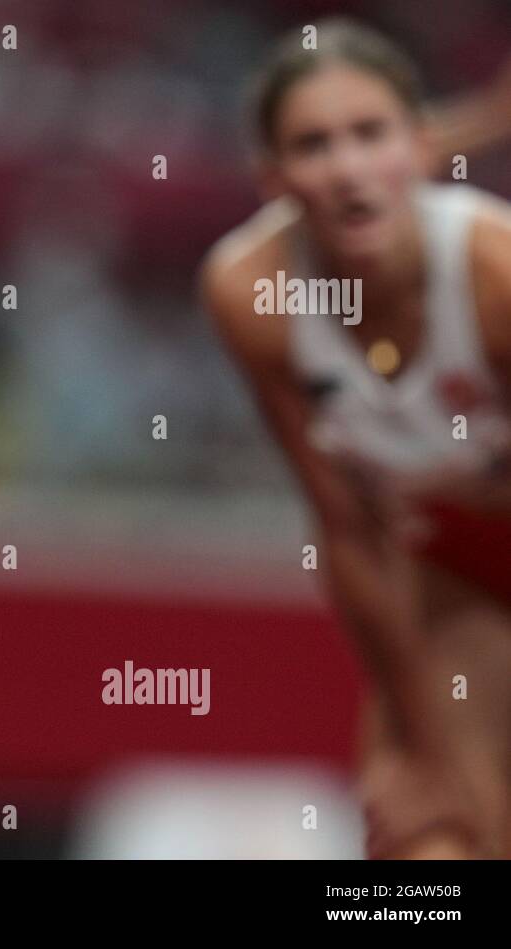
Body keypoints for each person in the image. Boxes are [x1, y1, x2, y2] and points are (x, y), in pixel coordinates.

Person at [201, 19, 511, 859]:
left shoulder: (493, 275)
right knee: (424, 845)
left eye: (369, 135)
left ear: (421, 149)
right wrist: (417, 740)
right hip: (452, 568)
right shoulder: (250, 292)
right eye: (312, 145)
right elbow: (344, 526)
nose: (345, 169)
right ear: (271, 176)